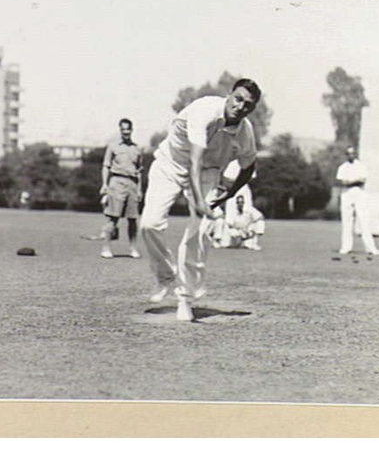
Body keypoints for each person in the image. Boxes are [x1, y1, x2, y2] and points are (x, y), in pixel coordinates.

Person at [140, 78, 261, 305]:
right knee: (149, 224)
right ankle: (166, 275)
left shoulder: (246, 131)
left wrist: (231, 193)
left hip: (208, 172)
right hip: (171, 164)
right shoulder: (204, 109)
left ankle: (186, 295)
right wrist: (199, 201)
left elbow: (248, 165)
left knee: (202, 229)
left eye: (248, 105)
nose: (240, 107)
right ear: (230, 95)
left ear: (252, 109)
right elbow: (194, 160)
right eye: (238, 99)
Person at [99, 118, 143, 259]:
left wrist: (139, 189)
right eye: (123, 129)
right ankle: (106, 248)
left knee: (132, 219)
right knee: (113, 217)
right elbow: (106, 166)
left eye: (128, 129)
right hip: (116, 181)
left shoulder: (137, 148)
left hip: (132, 184)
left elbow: (140, 171)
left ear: (131, 130)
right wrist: (104, 184)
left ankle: (133, 249)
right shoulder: (113, 147)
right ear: (120, 130)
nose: (125, 132)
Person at [335, 145, 378, 255]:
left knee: (364, 220)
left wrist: (349, 181)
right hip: (346, 194)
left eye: (352, 153)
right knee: (346, 221)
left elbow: (362, 180)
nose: (351, 155)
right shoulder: (342, 167)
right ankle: (346, 247)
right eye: (348, 153)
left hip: (359, 193)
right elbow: (341, 182)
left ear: (355, 154)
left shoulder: (361, 166)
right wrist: (354, 181)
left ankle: (370, 247)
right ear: (346, 155)